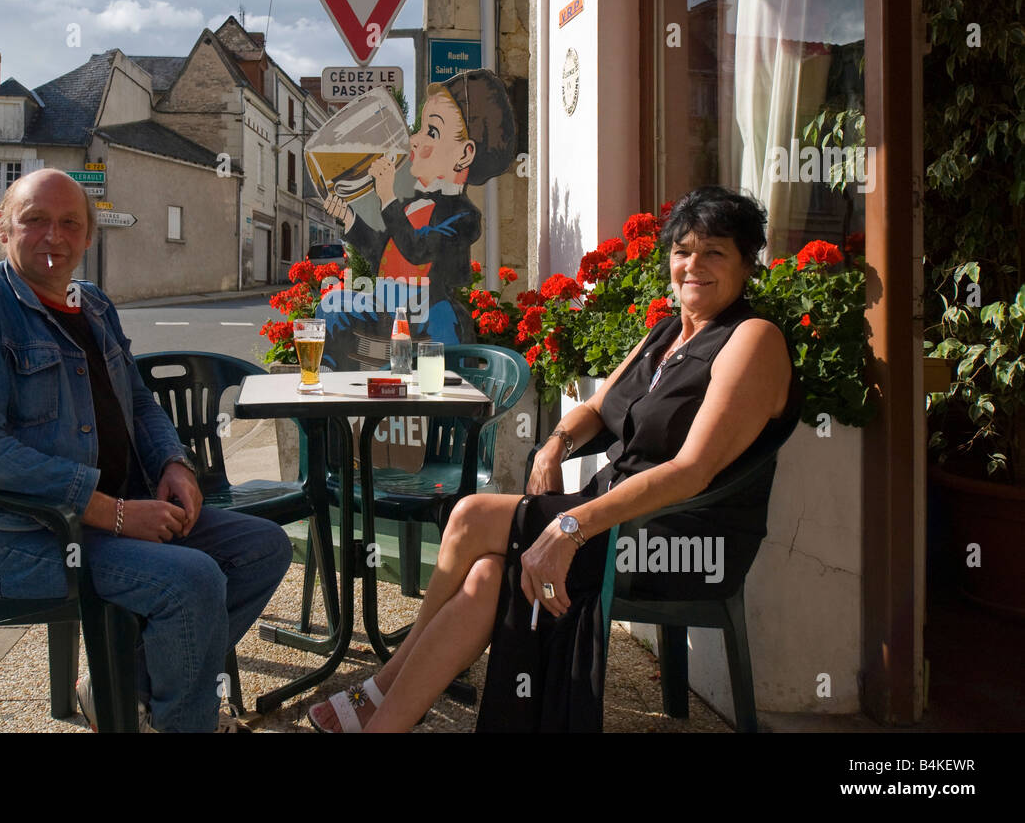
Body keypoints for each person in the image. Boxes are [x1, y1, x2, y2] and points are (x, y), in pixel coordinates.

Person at [308, 186, 800, 732]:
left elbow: (692, 471)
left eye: (715, 253)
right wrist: (555, 446)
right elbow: (596, 407)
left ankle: (384, 686)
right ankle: (385, 719)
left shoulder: (751, 339)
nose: (694, 265)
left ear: (746, 264)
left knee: (471, 515)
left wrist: (570, 525)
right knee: (487, 576)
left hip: (680, 540)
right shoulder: (667, 333)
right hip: (617, 518)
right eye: (683, 250)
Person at [0, 168, 293, 732]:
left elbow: (139, 401)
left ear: (89, 237)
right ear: (2, 228)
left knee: (264, 548)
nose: (54, 236)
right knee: (192, 582)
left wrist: (174, 464)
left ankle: (124, 687)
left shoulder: (91, 304)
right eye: (35, 220)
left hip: (119, 513)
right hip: (26, 539)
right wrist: (110, 512)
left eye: (70, 223)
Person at [319, 69, 516, 364]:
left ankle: (450, 401)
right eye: (421, 128)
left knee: (446, 327)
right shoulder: (410, 205)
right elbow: (381, 255)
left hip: (430, 307)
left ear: (464, 154)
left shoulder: (463, 216)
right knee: (333, 305)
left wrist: (387, 196)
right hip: (389, 306)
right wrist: (349, 218)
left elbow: (418, 250)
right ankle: (334, 402)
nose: (413, 139)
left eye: (431, 132)